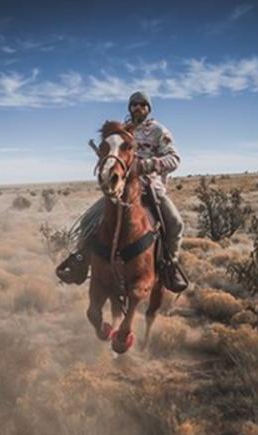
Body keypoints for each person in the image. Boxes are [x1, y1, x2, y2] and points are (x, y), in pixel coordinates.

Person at [56, 91, 188, 292]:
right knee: (88, 221)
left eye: (143, 104)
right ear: (129, 107)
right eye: (134, 104)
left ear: (148, 108)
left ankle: (170, 266)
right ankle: (80, 261)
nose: (138, 107)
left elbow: (174, 159)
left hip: (150, 186)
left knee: (175, 223)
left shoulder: (159, 131)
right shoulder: (121, 131)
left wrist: (146, 165)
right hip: (120, 188)